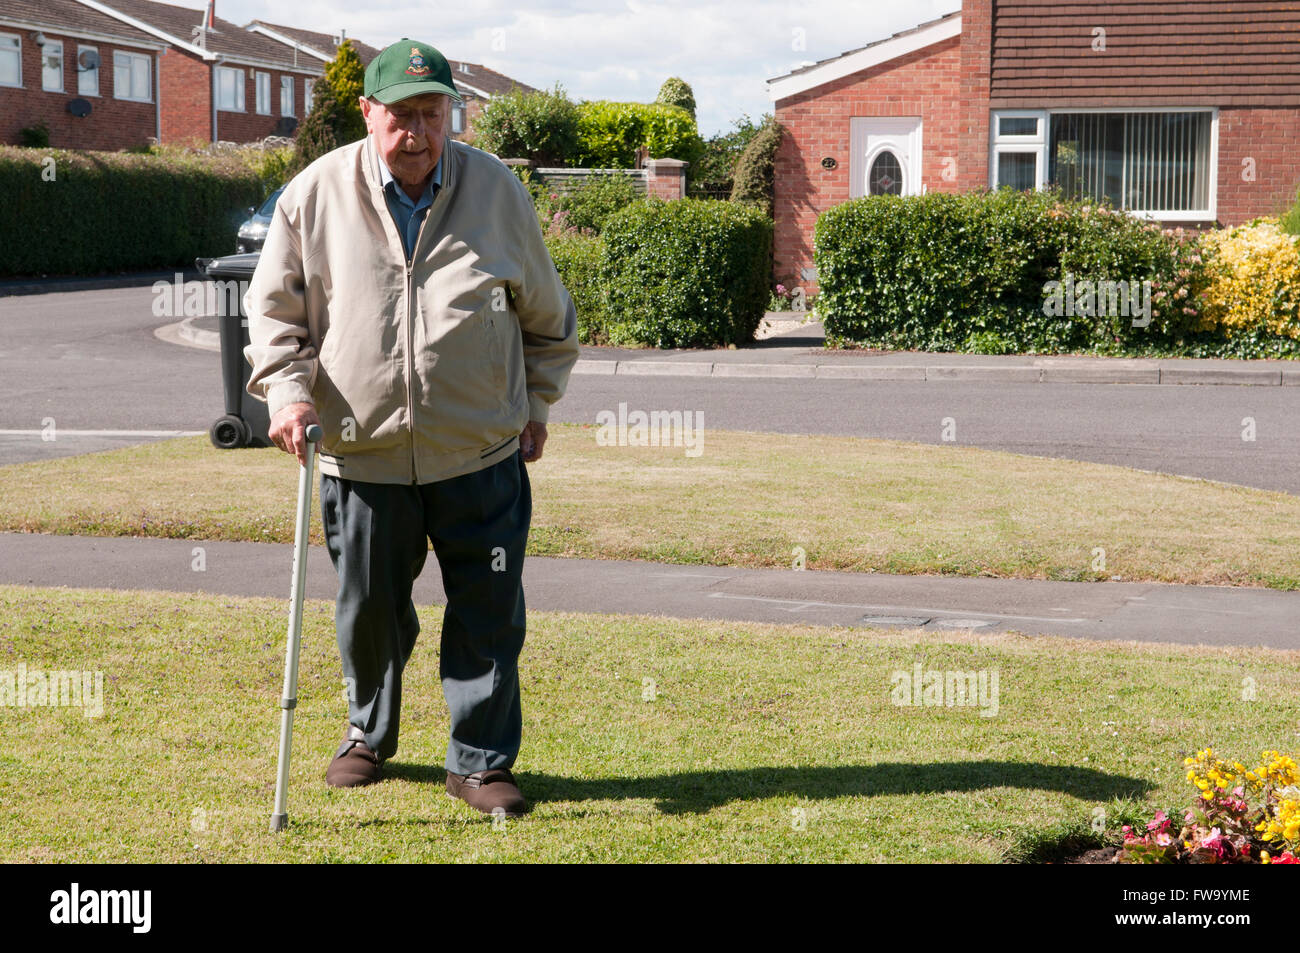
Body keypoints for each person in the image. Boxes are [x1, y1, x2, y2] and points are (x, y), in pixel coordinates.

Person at [243, 38, 579, 818]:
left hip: (480, 450)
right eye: (400, 116)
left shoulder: (497, 192)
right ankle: (368, 734)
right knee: (369, 613)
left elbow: (549, 318)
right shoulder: (314, 194)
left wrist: (536, 401)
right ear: (368, 113)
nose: (418, 133)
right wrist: (288, 395)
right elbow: (273, 315)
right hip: (361, 454)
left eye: (433, 114)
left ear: (450, 115)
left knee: (489, 610)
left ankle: (480, 761)